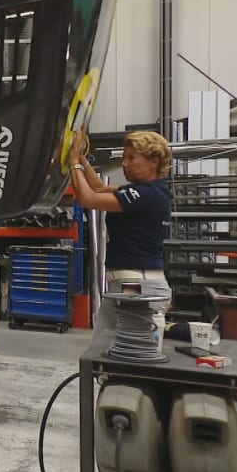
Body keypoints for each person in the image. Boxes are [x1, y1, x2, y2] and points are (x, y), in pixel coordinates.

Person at [68, 129, 172, 335]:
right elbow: (97, 188)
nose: (125, 163)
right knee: (102, 348)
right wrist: (83, 160)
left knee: (133, 354)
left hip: (138, 286)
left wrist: (73, 162)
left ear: (154, 161)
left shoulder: (146, 194)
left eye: (132, 158)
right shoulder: (145, 191)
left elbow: (88, 198)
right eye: (124, 158)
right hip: (129, 284)